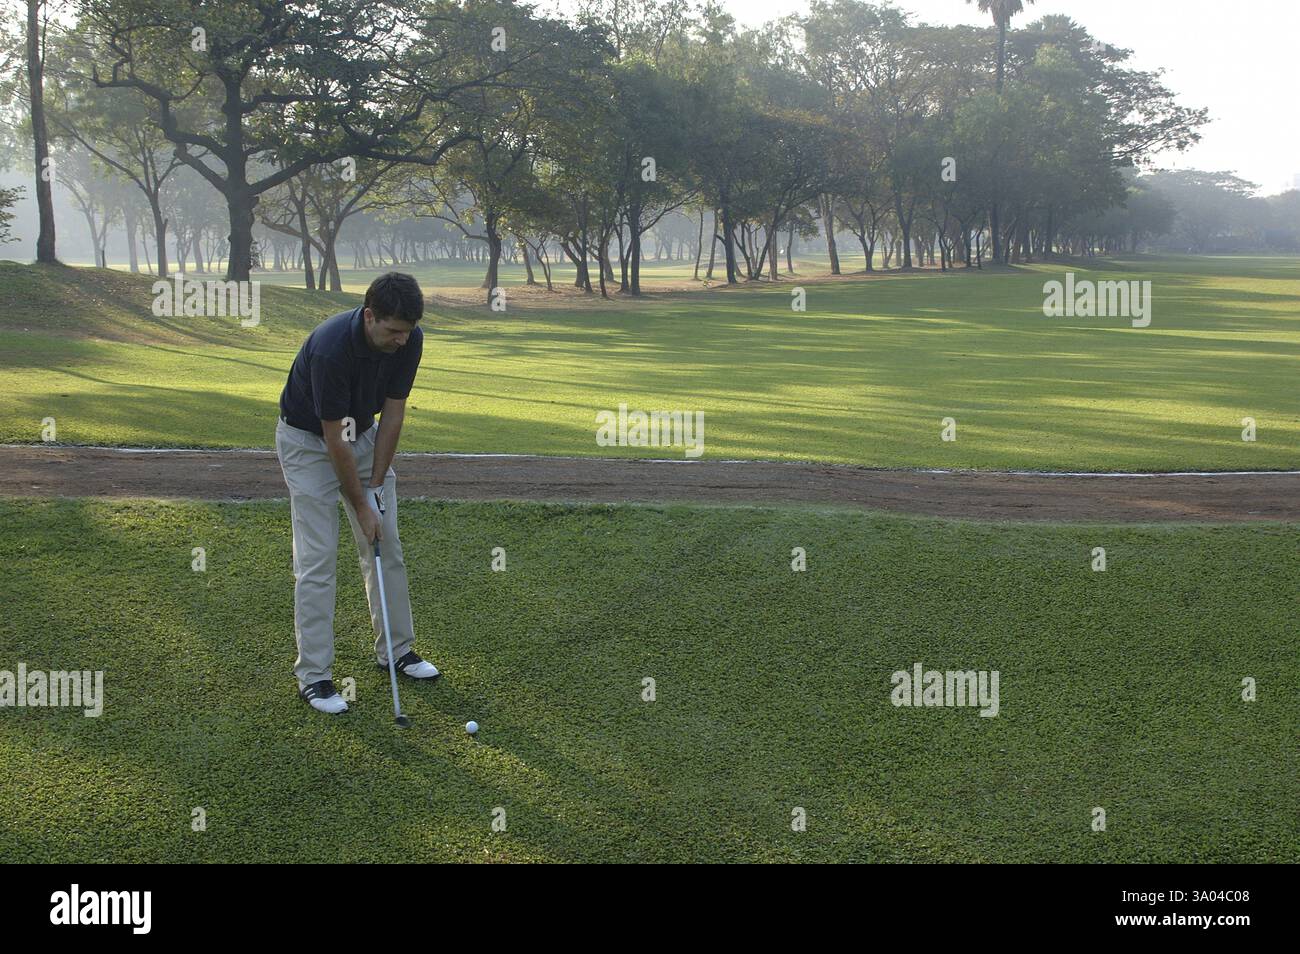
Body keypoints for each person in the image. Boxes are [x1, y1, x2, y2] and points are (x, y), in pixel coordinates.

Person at [275, 272, 440, 715]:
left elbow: (393, 414)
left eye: (407, 331)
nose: (402, 340)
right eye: (393, 331)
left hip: (362, 436)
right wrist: (362, 504)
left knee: (387, 543)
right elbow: (333, 441)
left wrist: (377, 487)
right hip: (308, 442)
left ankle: (397, 651)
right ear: (370, 316)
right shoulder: (331, 349)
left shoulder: (409, 339)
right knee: (317, 558)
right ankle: (314, 676)